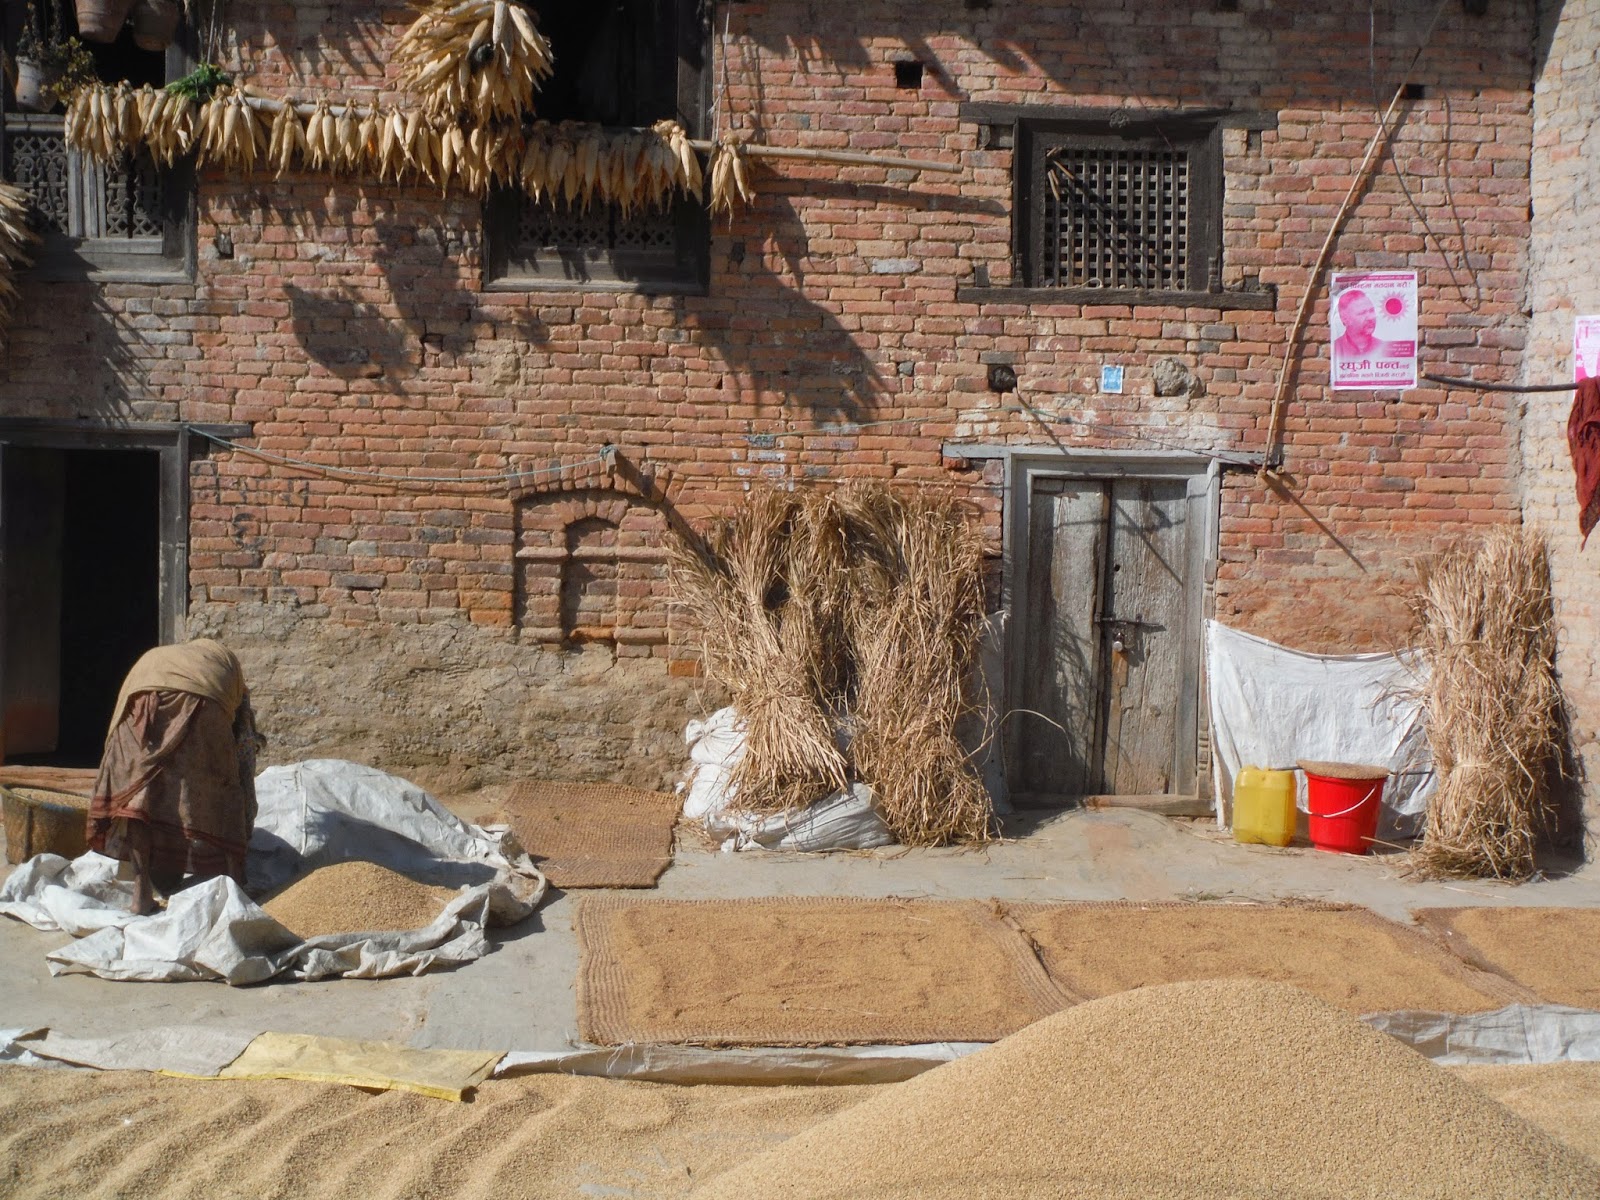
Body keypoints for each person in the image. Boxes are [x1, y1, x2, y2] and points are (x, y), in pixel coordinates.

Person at [86, 639, 262, 915]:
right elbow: (244, 762)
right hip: (203, 696)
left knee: (138, 798)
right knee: (224, 791)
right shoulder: (237, 691)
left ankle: (140, 896)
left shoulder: (177, 660)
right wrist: (244, 819)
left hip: (142, 690)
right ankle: (235, 887)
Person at [1333, 288, 1387, 362]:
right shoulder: (1335, 348)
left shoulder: (1383, 347)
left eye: (1371, 311)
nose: (1370, 317)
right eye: (1362, 313)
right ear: (1345, 319)